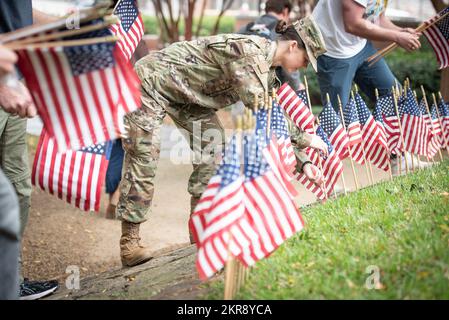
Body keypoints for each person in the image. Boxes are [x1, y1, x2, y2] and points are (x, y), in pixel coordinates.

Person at [116, 16, 329, 267]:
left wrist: (303, 163)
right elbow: (262, 109)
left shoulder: (268, 71)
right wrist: (307, 138)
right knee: (144, 154)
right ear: (293, 46)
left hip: (190, 97)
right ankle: (129, 243)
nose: (304, 67)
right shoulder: (248, 53)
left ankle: (200, 229)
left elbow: (275, 126)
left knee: (215, 153)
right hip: (152, 81)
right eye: (306, 60)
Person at [312, 0, 429, 172]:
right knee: (337, 118)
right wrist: (396, 37)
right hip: (332, 51)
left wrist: (400, 31)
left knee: (394, 96)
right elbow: (353, 24)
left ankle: (400, 159)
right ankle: (322, 175)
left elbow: (377, 18)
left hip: (361, 47)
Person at [0, 0, 59, 300]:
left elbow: (18, 10)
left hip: (13, 82)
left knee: (17, 189)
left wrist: (66, 22)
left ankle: (10, 282)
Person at [239, 0, 303, 91]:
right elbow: (289, 65)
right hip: (266, 92)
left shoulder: (247, 27)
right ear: (285, 11)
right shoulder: (281, 33)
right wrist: (297, 86)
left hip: (238, 88)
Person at [0, 45, 21, 300]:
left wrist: (75, 20)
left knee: (18, 189)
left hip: (14, 82)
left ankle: (16, 280)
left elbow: (24, 14)